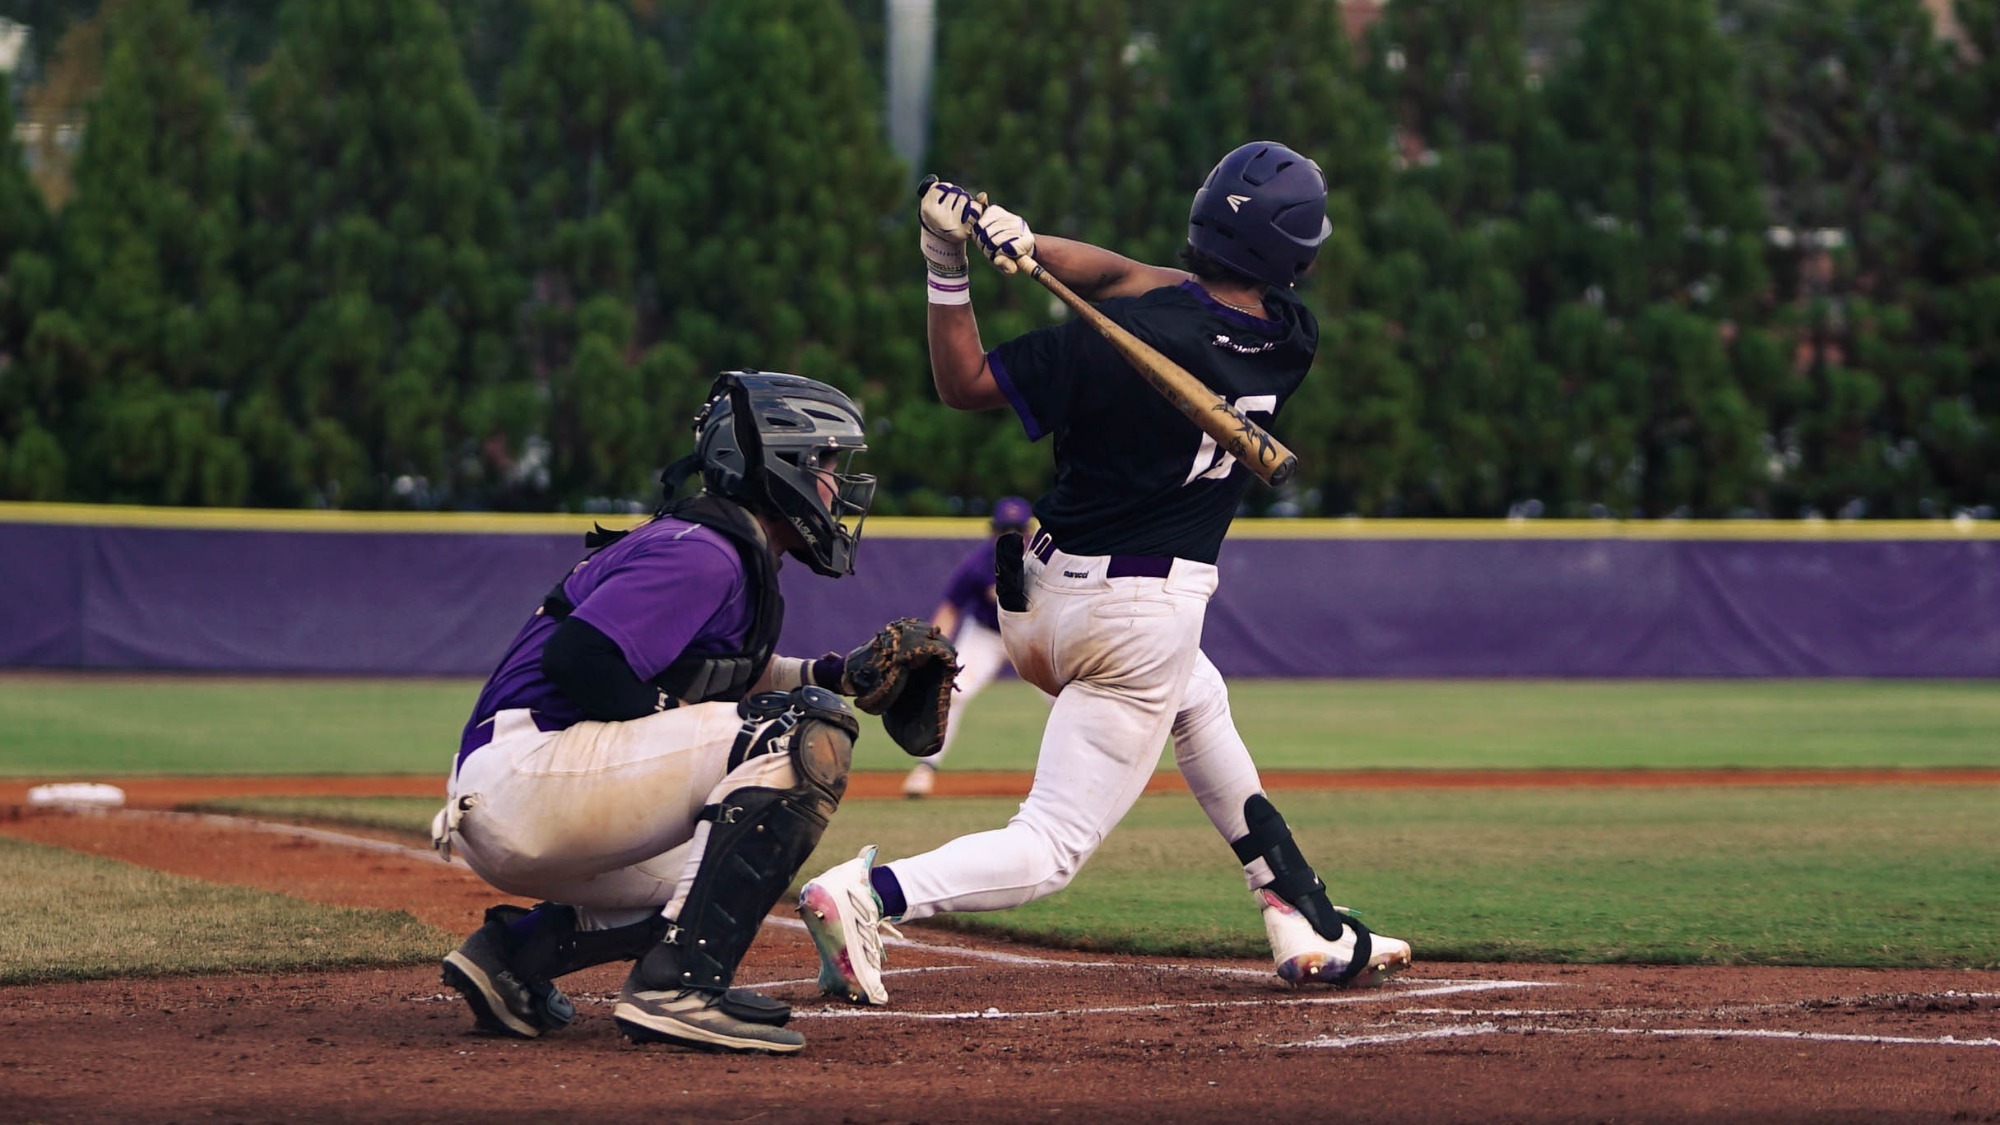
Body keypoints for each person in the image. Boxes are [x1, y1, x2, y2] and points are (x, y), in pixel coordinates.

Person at [798, 143, 1412, 1007]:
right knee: (1051, 845)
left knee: (1199, 698)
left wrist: (948, 265)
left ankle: (1297, 908)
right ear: (1293, 255)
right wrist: (1031, 244)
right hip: (1139, 619)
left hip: (1038, 604)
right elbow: (1137, 279)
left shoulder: (1106, 341)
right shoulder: (1289, 340)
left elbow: (966, 380)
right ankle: (869, 893)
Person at [432, 370, 946, 1056]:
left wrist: (832, 672)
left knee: (721, 865)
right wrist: (756, 706)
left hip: (525, 784)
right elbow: (580, 662)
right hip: (530, 775)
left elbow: (703, 676)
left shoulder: (716, 544)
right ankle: (678, 988)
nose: (834, 485)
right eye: (824, 462)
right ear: (780, 463)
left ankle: (512, 957)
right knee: (800, 738)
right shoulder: (706, 553)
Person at [900, 495, 1048, 798]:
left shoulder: (1044, 560)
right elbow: (951, 608)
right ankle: (926, 768)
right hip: (987, 635)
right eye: (1004, 528)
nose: (1011, 535)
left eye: (1017, 528)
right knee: (954, 692)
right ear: (993, 530)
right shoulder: (979, 563)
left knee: (1065, 700)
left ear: (1028, 530)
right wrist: (930, 644)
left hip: (1034, 634)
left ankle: (1079, 779)